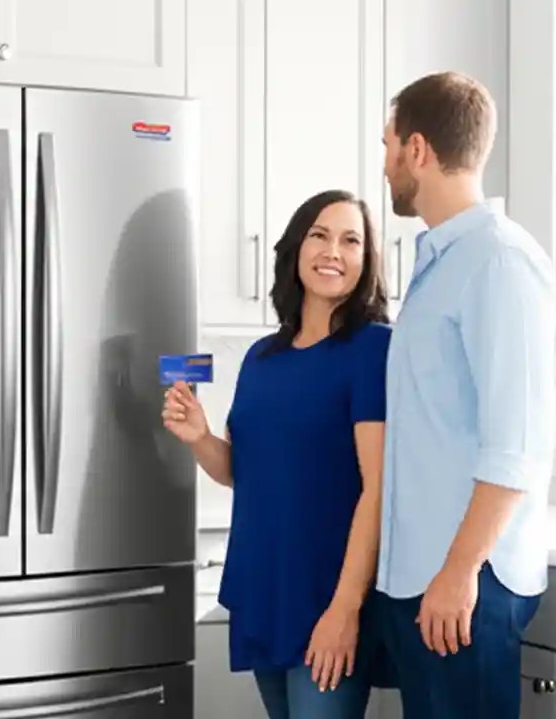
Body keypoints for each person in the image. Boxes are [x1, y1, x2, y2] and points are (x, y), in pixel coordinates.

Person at [371, 71, 556, 719]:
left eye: (388, 145)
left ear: (417, 150)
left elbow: (517, 446)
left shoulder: (498, 262)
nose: (386, 163)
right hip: (424, 583)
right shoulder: (441, 264)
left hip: (465, 586)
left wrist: (458, 572)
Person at [163, 189, 391, 719]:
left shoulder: (372, 349)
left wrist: (344, 608)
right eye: (319, 235)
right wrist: (199, 436)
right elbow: (242, 472)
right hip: (263, 585)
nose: (333, 251)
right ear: (295, 249)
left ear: (366, 261)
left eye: (350, 240)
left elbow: (378, 488)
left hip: (325, 592)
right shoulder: (261, 357)